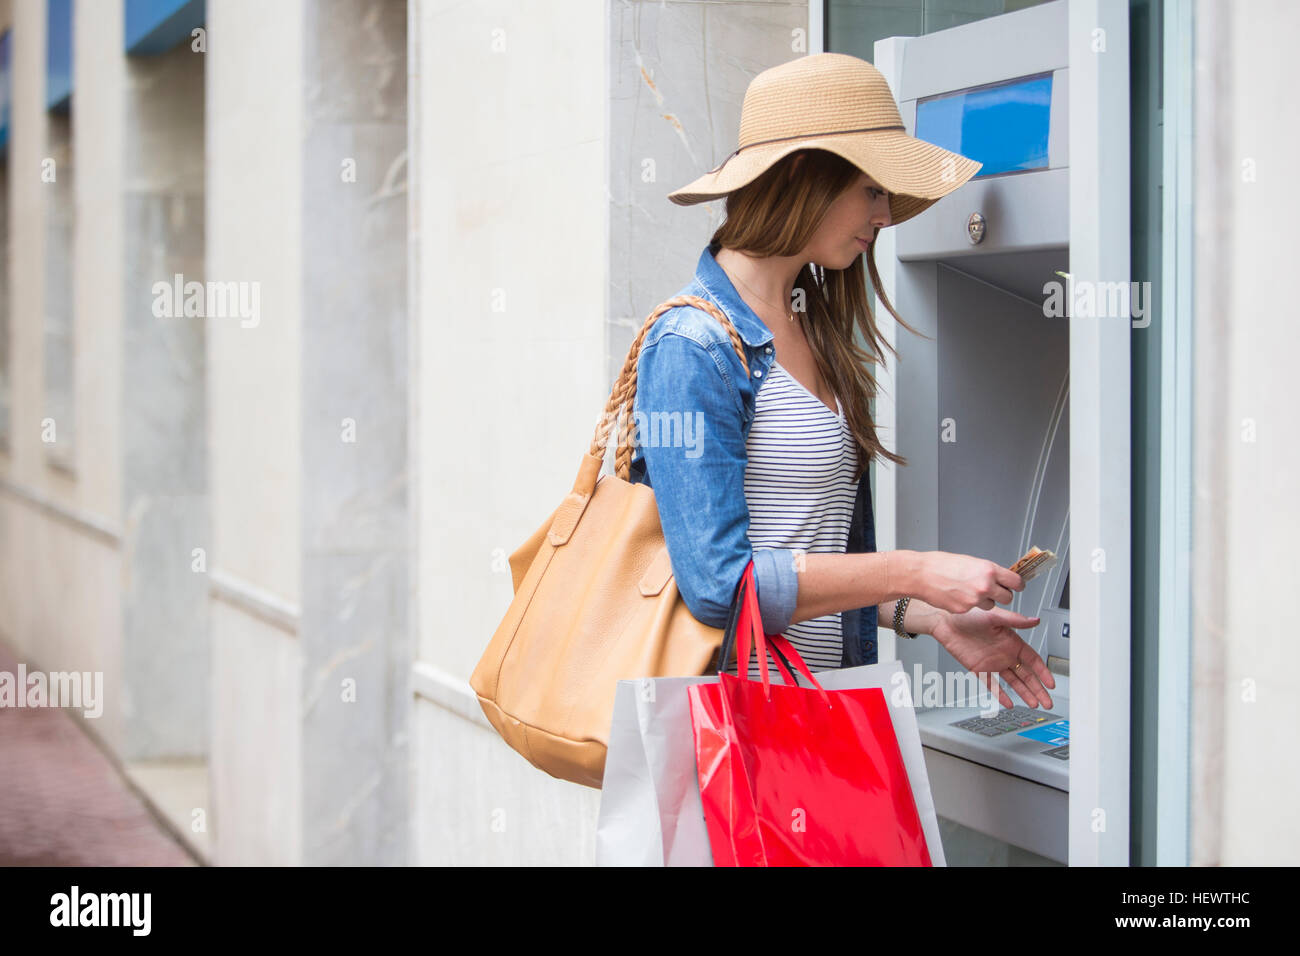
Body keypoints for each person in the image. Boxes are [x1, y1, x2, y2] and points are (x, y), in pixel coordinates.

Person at [628, 53, 1055, 710]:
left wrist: (932, 615)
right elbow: (721, 585)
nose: (884, 216)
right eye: (873, 190)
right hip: (737, 741)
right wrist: (916, 568)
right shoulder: (692, 345)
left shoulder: (815, 326)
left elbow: (814, 557)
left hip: (821, 718)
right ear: (802, 173)